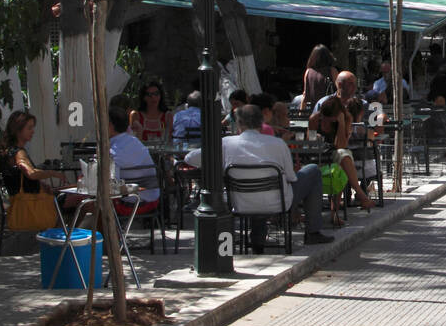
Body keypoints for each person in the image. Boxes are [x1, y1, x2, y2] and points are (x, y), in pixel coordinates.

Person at [184, 104, 333, 252]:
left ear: (239, 124)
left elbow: (190, 158)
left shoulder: (226, 144)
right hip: (277, 203)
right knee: (313, 170)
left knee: (256, 192)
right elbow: (291, 177)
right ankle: (312, 232)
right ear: (262, 123)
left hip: (240, 203)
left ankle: (257, 241)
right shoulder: (278, 143)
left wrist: (219, 163)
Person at [308, 95, 375, 224]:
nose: (328, 120)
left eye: (331, 117)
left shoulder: (346, 118)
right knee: (343, 160)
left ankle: (336, 213)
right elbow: (309, 142)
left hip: (335, 155)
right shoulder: (315, 119)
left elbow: (341, 145)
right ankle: (361, 195)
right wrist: (314, 137)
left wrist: (341, 124)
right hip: (318, 156)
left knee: (341, 162)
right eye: (326, 117)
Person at [108, 106, 160, 218]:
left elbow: (111, 187)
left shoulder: (112, 151)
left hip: (131, 204)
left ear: (110, 126)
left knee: (91, 203)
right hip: (153, 200)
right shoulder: (136, 142)